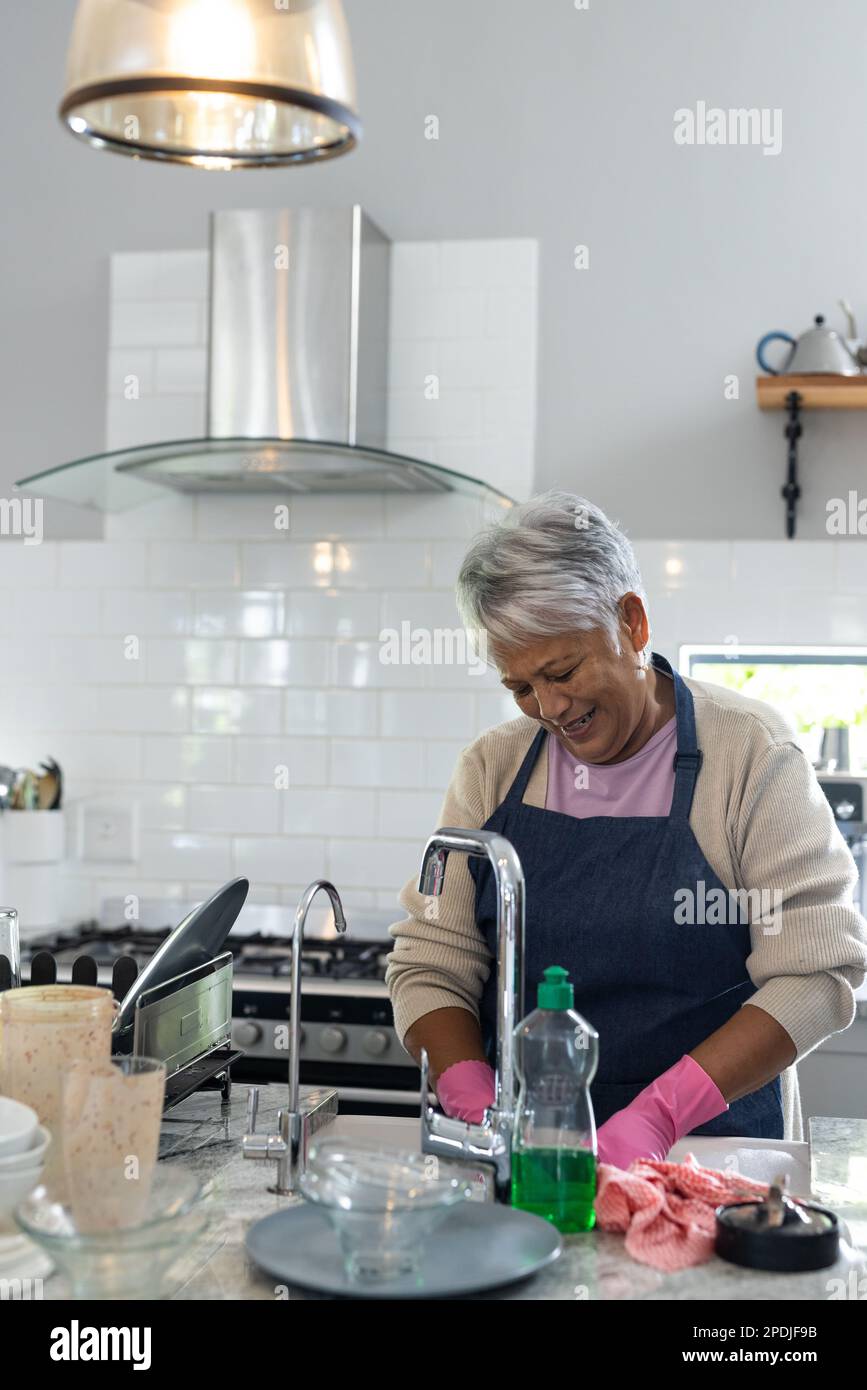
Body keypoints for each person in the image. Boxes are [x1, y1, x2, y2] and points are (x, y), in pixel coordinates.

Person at [386, 492, 867, 1167]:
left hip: (712, 1162)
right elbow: (430, 963)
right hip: (531, 1163)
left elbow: (815, 976)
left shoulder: (750, 755)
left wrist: (658, 1115)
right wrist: (477, 1102)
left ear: (631, 622)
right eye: (520, 686)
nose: (550, 708)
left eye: (562, 671)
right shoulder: (492, 769)